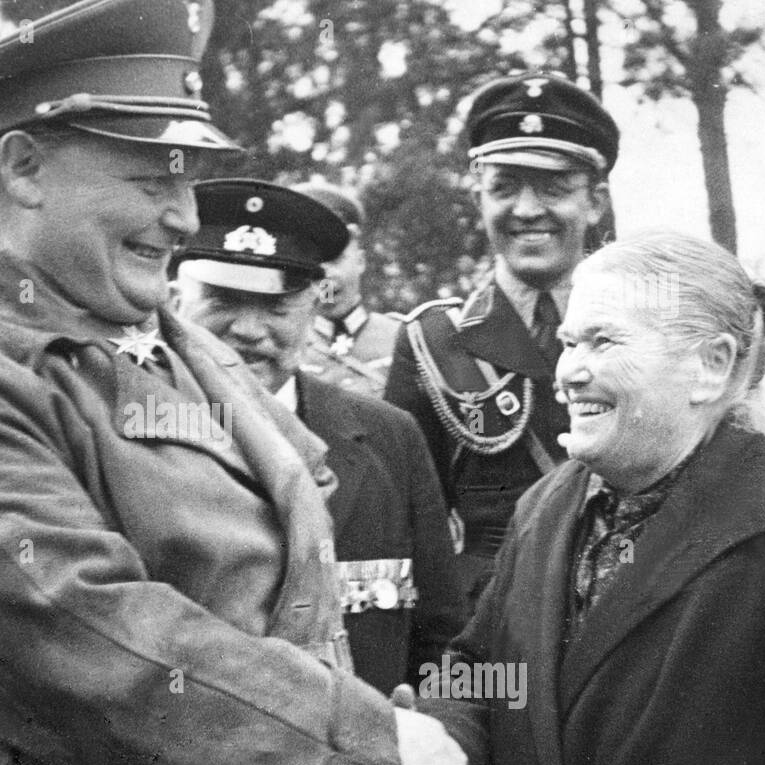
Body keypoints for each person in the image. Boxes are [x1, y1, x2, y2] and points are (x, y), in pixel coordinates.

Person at [0, 0, 467, 765]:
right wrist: (373, 754)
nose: (184, 217)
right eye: (152, 180)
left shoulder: (184, 352)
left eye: (185, 181)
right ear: (26, 168)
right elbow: (90, 644)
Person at [421, 229, 765, 765]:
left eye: (602, 342)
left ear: (711, 366)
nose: (567, 373)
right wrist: (441, 744)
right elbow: (485, 667)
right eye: (567, 343)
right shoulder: (545, 505)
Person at [175, 178, 465, 697]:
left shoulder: (389, 439)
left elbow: (443, 640)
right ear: (173, 300)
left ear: (313, 308)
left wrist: (442, 732)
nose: (248, 329)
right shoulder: (123, 432)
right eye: (222, 300)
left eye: (277, 305)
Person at [384, 72, 617, 610]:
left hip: (626, 606)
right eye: (505, 187)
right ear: (477, 197)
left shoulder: (643, 328)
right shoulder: (431, 341)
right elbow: (406, 523)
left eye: (555, 188)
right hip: (493, 621)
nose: (528, 209)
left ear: (596, 201)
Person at [292, 181, 397, 397]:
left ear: (360, 261)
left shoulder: (401, 338)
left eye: (336, 259)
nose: (327, 275)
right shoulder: (285, 344)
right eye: (314, 261)